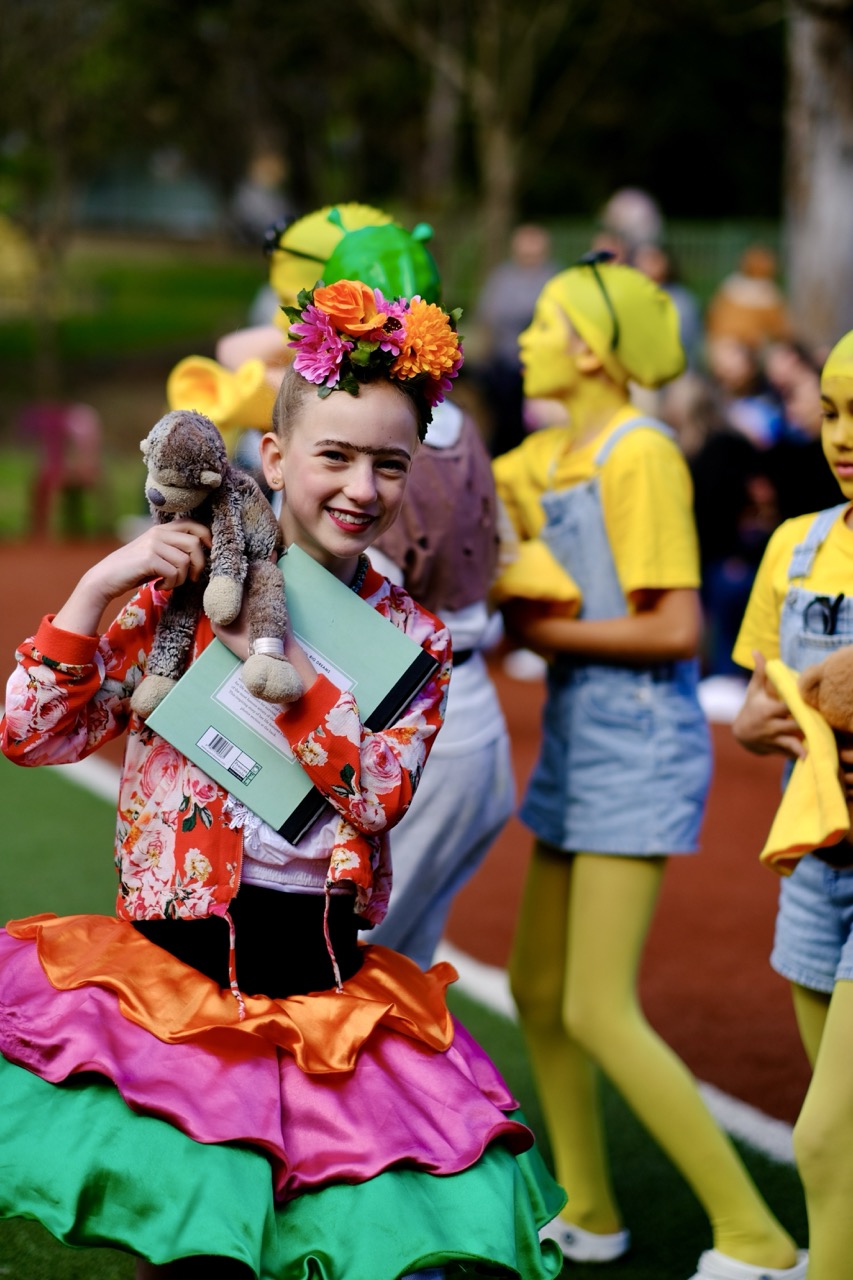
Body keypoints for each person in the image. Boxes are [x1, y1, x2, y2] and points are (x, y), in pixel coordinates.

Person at [0, 280, 564, 1280]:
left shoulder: (416, 638)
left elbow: (377, 795)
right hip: (170, 987)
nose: (361, 487)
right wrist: (100, 585)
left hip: (320, 993)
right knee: (194, 1248)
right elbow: (31, 733)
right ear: (272, 457)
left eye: (388, 464)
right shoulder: (181, 589)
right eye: (334, 456)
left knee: (318, 1252)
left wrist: (279, 668)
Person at [492, 253, 807, 1279]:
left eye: (543, 322)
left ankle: (754, 1233)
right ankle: (588, 1205)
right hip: (580, 731)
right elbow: (468, 487)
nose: (524, 336)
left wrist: (541, 630)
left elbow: (675, 629)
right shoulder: (550, 455)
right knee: (538, 984)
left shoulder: (640, 454)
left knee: (593, 1001)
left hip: (635, 737)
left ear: (589, 348)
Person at [731, 328, 853, 1280]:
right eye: (832, 412)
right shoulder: (794, 543)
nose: (841, 436)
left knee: (823, 1139)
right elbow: (751, 705)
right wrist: (759, 723)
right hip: (810, 856)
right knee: (834, 1115)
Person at [364, 392, 514, 967]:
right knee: (402, 968)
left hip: (415, 726)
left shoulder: (372, 431)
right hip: (470, 718)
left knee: (345, 963)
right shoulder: (458, 425)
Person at [474, 223, 559, 457]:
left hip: (538, 367)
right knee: (502, 424)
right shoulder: (502, 278)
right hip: (503, 366)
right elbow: (488, 317)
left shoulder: (553, 278)